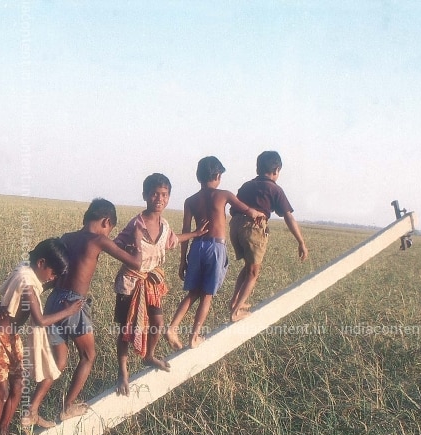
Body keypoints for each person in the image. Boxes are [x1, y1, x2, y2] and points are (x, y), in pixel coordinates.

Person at [0, 239, 83, 435]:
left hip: (11, 337)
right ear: (42, 263)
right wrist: (69, 311)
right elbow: (39, 320)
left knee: (18, 386)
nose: (53, 278)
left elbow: (37, 290)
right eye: (53, 273)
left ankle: (4, 433)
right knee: (2, 391)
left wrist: (53, 284)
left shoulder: (25, 272)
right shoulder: (27, 283)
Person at [45, 198, 141, 419]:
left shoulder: (66, 238)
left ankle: (32, 407)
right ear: (106, 221)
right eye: (110, 229)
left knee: (57, 362)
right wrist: (137, 243)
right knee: (88, 356)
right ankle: (67, 406)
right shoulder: (99, 240)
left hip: (54, 300)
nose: (109, 234)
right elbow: (136, 263)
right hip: (74, 304)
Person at [112, 173, 207, 395]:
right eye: (154, 193)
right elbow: (115, 246)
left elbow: (173, 239)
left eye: (164, 194)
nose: (159, 198)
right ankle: (123, 372)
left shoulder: (164, 226)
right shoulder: (135, 224)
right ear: (145, 195)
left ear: (168, 198)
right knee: (126, 331)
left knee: (158, 323)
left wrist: (195, 233)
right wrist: (132, 250)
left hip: (151, 283)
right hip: (130, 284)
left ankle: (149, 355)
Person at [166, 157, 266, 349]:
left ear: (198, 176)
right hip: (215, 247)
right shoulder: (223, 195)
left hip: (196, 246)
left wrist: (182, 261)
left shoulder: (190, 201)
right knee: (207, 295)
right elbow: (249, 211)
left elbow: (186, 230)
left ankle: (173, 327)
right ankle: (194, 336)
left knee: (192, 292)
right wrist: (259, 215)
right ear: (218, 175)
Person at [229, 151, 308, 321]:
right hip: (254, 229)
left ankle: (237, 301)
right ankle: (236, 311)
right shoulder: (274, 188)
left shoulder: (246, 186)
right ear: (276, 170)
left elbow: (233, 207)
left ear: (258, 168)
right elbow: (288, 216)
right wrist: (301, 242)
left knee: (248, 266)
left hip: (235, 226)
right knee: (254, 271)